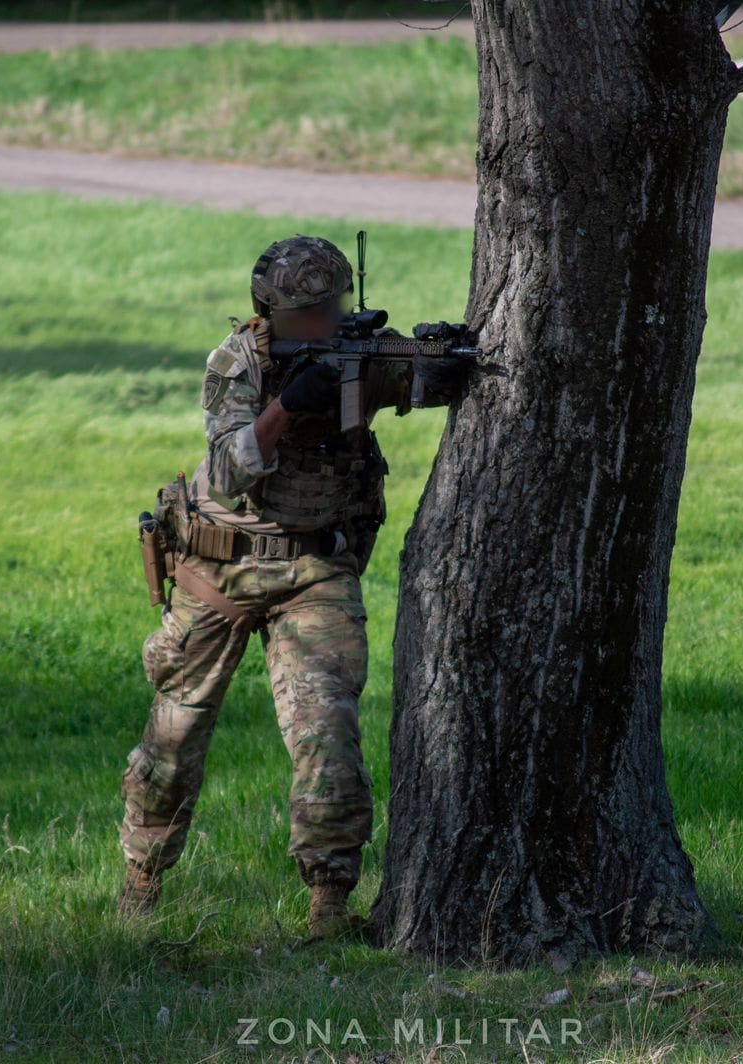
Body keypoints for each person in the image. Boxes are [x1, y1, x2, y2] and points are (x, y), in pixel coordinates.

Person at [117, 234, 465, 939]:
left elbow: (430, 377)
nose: (323, 324)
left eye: (332, 307)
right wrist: (288, 408)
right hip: (217, 570)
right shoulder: (236, 363)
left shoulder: (357, 357)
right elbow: (227, 471)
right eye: (306, 313)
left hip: (313, 570)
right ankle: (141, 882)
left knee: (326, 732)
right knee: (174, 737)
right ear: (268, 312)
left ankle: (330, 904)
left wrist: (442, 361)